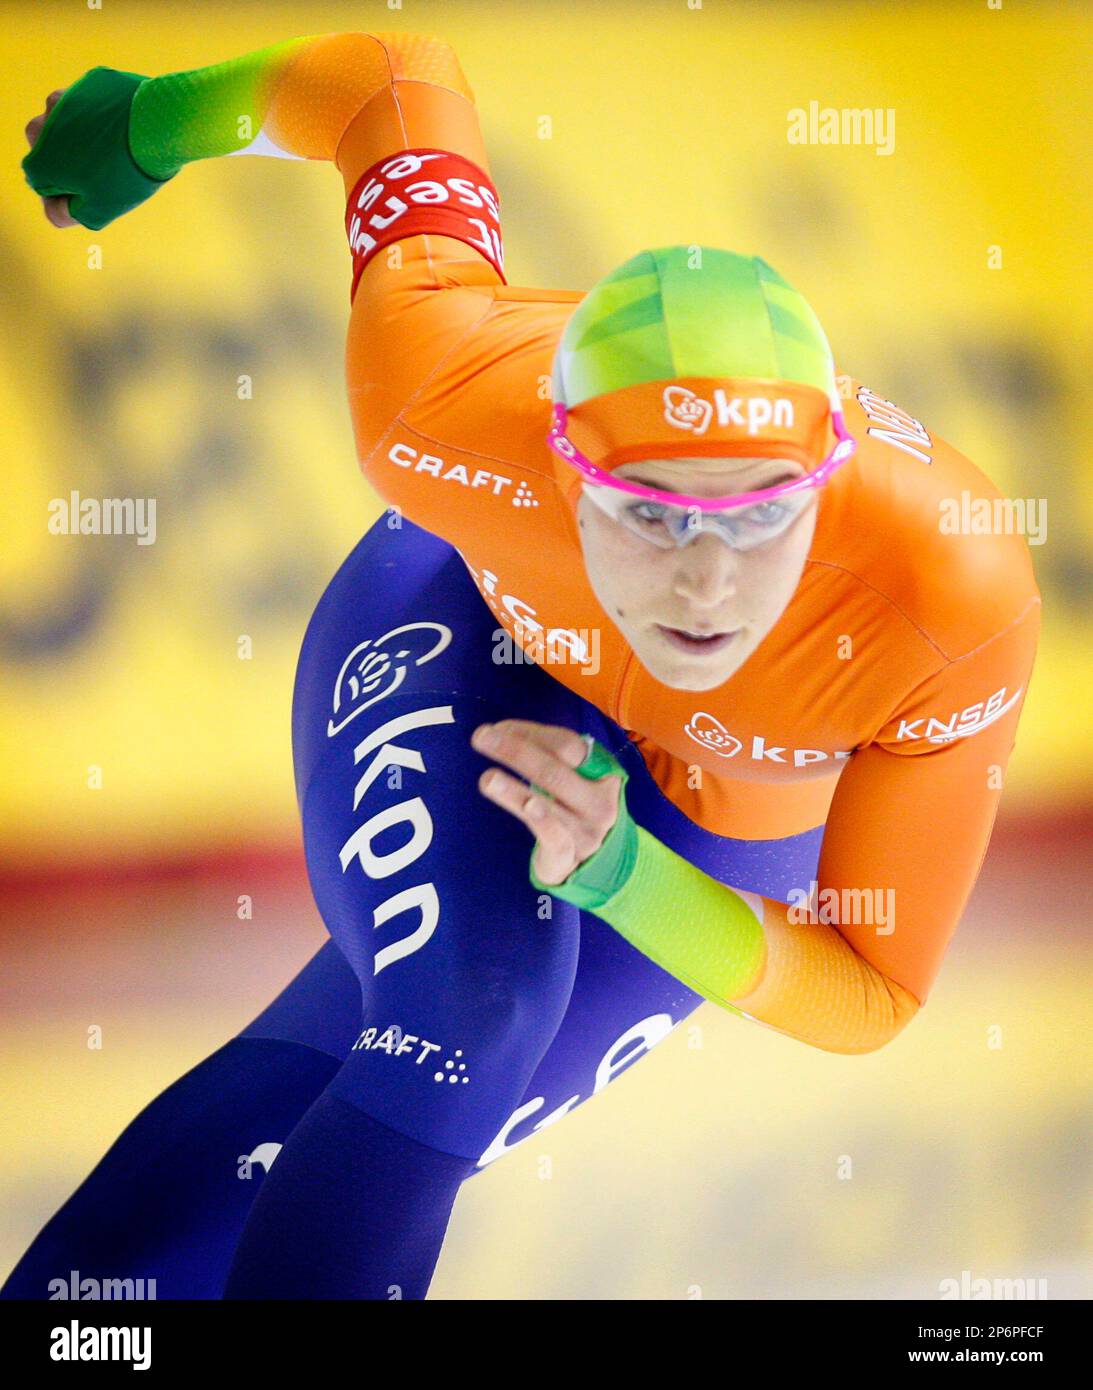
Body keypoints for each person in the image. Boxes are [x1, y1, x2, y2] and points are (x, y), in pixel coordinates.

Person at [6, 31, 1039, 1301]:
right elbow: (382, 80)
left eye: (761, 514)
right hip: (476, 642)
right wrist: (145, 125)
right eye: (649, 509)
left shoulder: (952, 603)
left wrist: (625, 876)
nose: (705, 580)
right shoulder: (439, 397)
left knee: (366, 1102)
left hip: (713, 809)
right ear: (559, 463)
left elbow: (870, 992)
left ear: (827, 487)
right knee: (470, 1019)